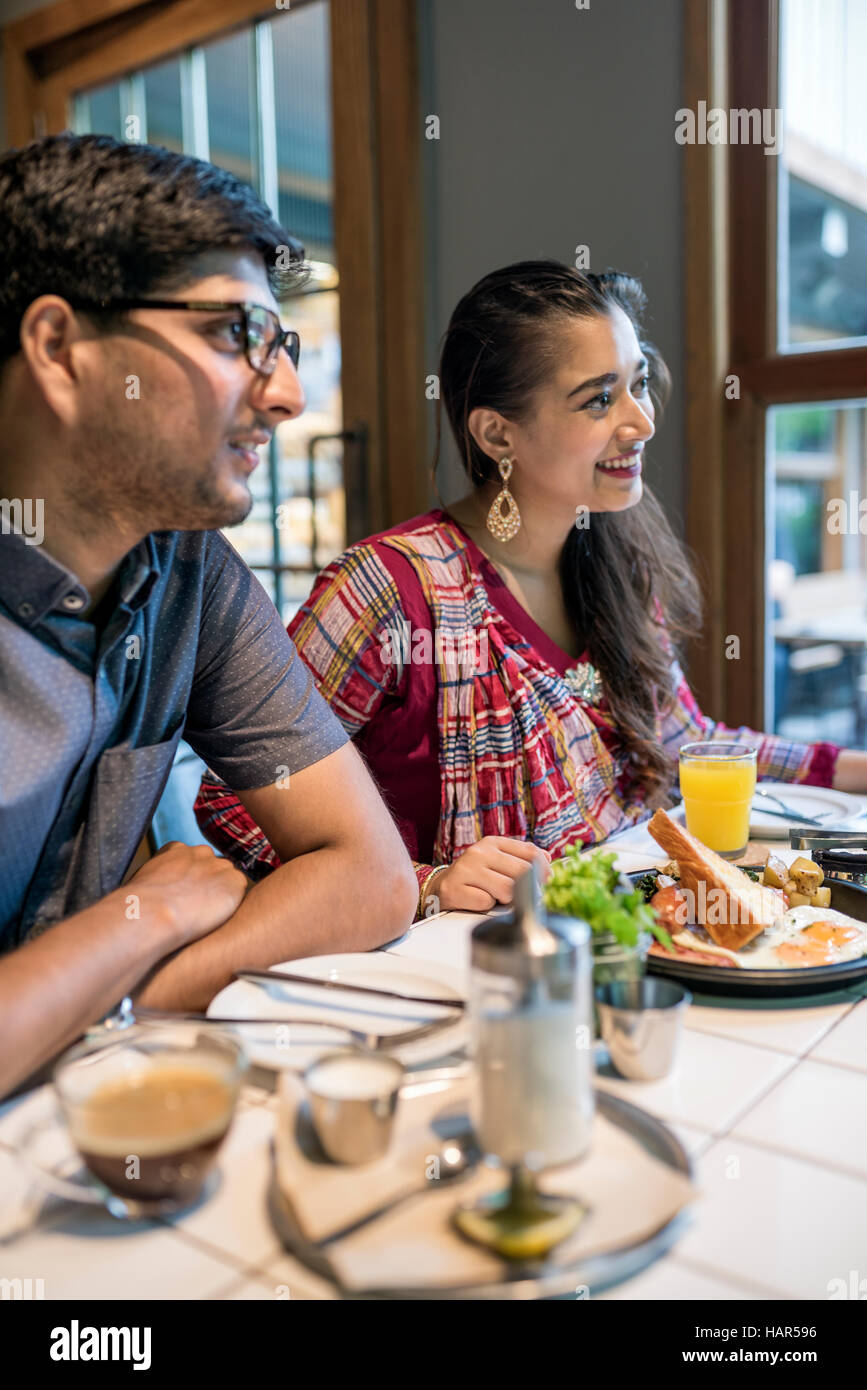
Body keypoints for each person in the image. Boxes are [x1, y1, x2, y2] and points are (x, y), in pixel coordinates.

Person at [195, 259, 867, 917]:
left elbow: (687, 740)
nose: (641, 421)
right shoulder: (386, 588)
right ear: (496, 433)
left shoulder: (618, 565)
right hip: (484, 975)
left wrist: (850, 770)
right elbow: (232, 802)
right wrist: (424, 884)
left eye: (638, 384)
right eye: (600, 398)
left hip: (634, 932)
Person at [0, 134, 417, 1098]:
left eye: (281, 344)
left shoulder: (191, 573)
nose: (286, 396)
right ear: (59, 350)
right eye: (234, 335)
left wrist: (116, 1003)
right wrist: (139, 914)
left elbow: (372, 875)